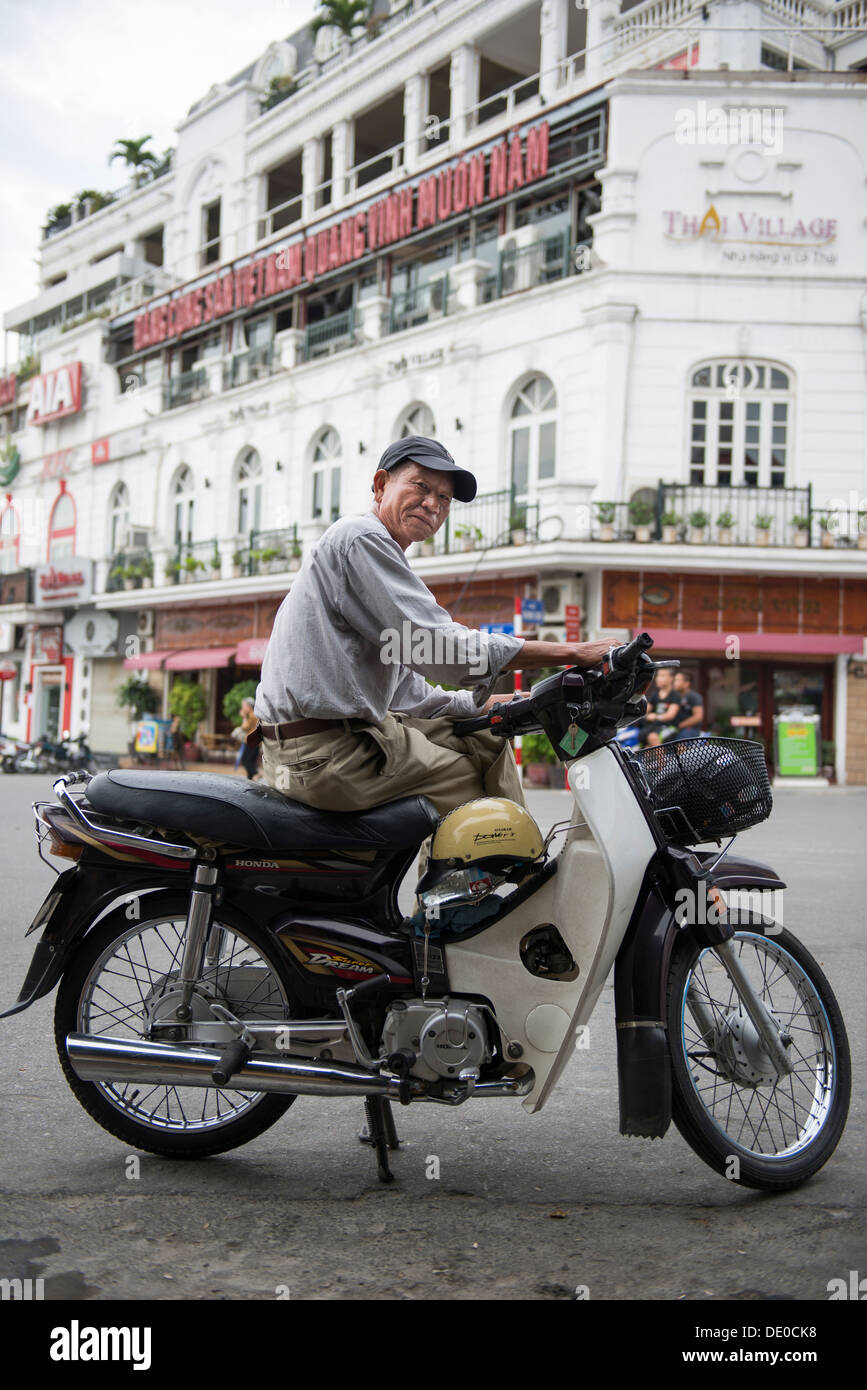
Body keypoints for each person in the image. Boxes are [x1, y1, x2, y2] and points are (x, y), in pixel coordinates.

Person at [251, 436, 611, 816]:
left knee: (487, 733)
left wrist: (519, 701)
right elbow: (439, 648)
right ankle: (495, 867)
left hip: (323, 746)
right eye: (422, 486)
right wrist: (573, 652)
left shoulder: (373, 560)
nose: (432, 504)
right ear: (380, 484)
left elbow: (411, 695)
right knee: (469, 779)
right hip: (324, 755)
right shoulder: (362, 538)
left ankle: (491, 863)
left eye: (444, 499)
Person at [640, 668, 682, 747]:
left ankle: (662, 760)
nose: (658, 679)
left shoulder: (675, 695)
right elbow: (645, 711)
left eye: (662, 676)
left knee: (652, 737)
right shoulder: (654, 695)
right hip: (654, 726)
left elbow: (670, 715)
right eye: (658, 676)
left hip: (669, 727)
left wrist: (656, 717)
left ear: (671, 678)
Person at [669, 670, 704, 742]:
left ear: (686, 683)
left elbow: (698, 717)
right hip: (672, 728)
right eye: (675, 680)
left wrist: (680, 725)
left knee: (680, 744)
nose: (674, 683)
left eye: (678, 680)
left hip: (689, 729)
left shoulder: (694, 697)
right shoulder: (673, 696)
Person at [236, 697, 261, 780]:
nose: (242, 708)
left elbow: (245, 727)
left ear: (248, 706)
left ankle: (255, 773)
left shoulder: (252, 716)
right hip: (254, 741)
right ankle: (250, 778)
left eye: (243, 706)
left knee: (245, 760)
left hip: (251, 741)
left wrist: (243, 717)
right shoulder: (253, 715)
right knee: (251, 761)